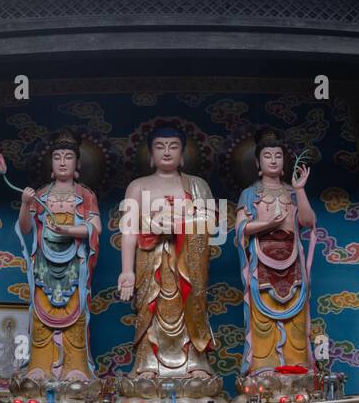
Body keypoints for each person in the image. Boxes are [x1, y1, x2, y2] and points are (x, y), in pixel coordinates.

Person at [118, 124, 216, 378]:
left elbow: (213, 225)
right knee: (151, 312)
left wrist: (179, 225)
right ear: (150, 155)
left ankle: (196, 363)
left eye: (174, 147)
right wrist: (127, 271)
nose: (167, 152)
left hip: (187, 264)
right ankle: (146, 365)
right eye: (160, 147)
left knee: (189, 308)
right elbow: (128, 231)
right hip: (151, 262)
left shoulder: (197, 185)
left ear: (183, 154)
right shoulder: (137, 186)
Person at [14, 129, 102, 382]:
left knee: (76, 312)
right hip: (44, 265)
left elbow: (96, 228)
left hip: (75, 265)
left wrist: (69, 230)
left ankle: (76, 369)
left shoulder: (86, 195)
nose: (62, 162)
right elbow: (26, 228)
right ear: (51, 164)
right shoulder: (40, 195)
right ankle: (39, 367)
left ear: (78, 164)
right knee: (41, 314)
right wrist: (24, 203)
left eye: (68, 157)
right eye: (57, 157)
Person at [235, 128, 317, 375]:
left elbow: (307, 221)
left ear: (284, 162)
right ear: (258, 163)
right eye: (267, 155)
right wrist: (268, 224)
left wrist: (300, 189)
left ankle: (298, 368)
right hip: (262, 263)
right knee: (262, 321)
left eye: (278, 155)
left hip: (292, 263)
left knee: (296, 321)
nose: (273, 160)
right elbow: (240, 229)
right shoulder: (249, 194)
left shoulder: (292, 191)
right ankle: (263, 370)